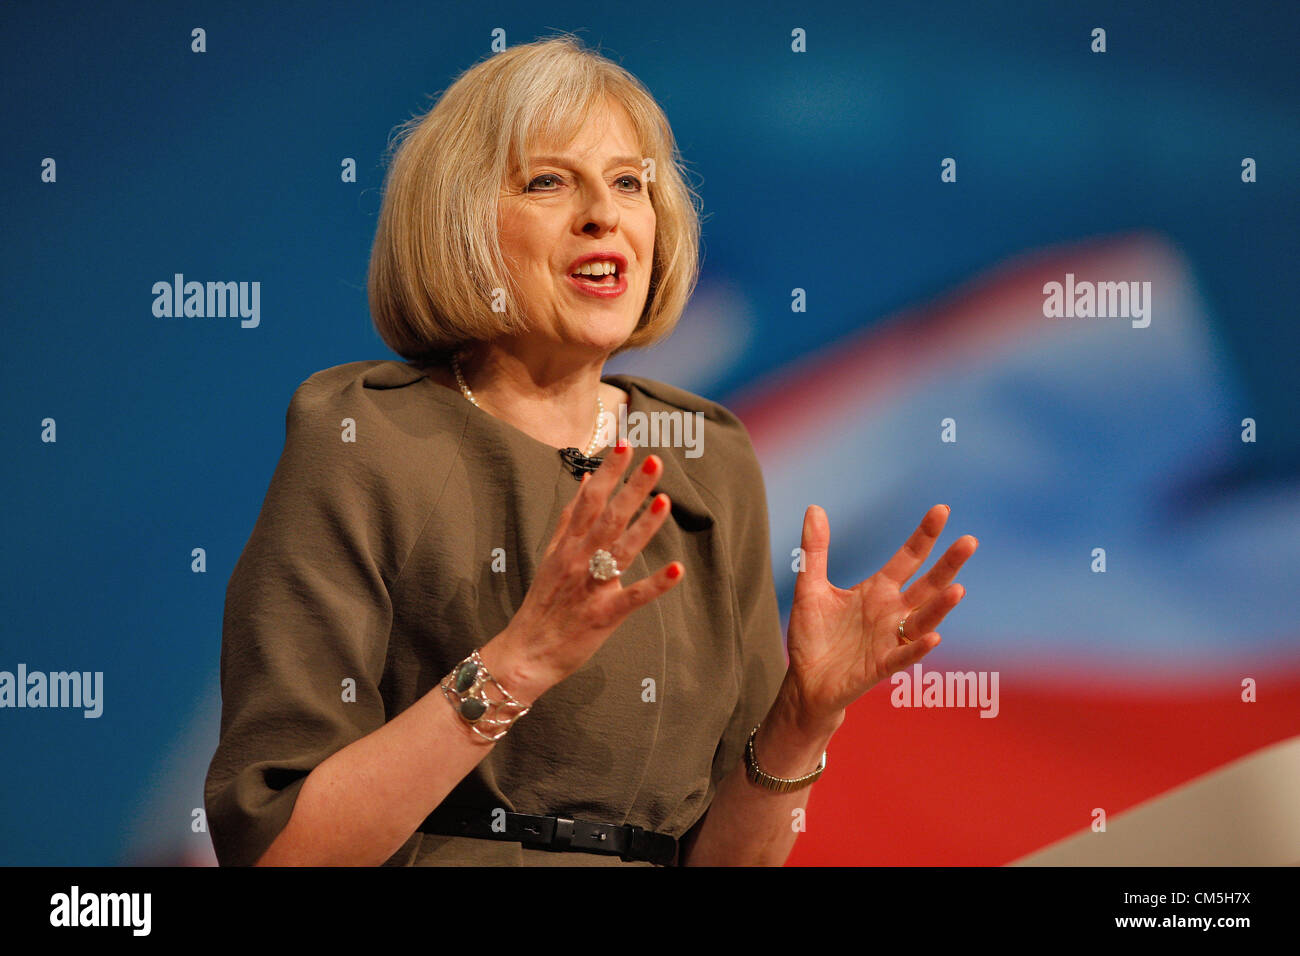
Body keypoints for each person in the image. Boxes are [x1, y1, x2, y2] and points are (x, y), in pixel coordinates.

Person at [203, 34, 977, 867]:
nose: (603, 214)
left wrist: (805, 716)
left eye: (628, 184)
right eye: (547, 183)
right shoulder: (366, 438)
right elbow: (283, 853)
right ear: (459, 223)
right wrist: (520, 661)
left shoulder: (706, 458)